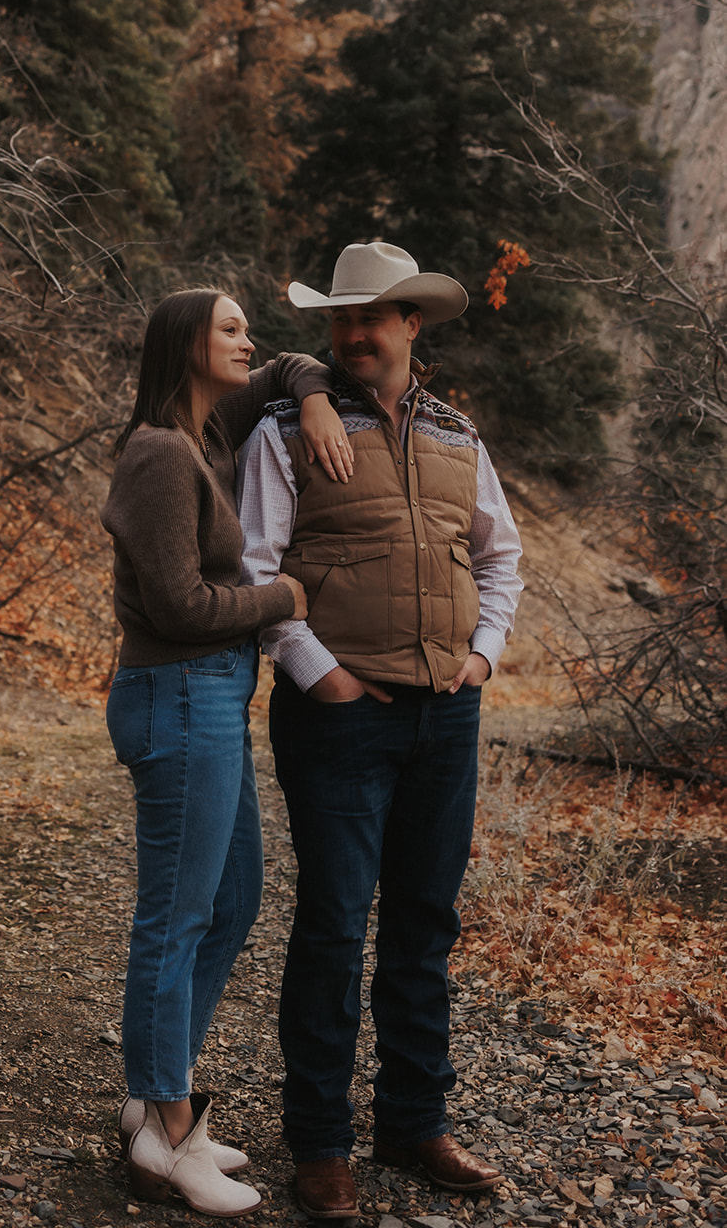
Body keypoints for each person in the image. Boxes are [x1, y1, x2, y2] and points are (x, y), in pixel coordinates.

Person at [237, 242, 523, 1220]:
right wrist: (320, 677)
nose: (356, 332)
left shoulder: (456, 433)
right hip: (339, 724)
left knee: (422, 924)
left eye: (376, 316)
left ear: (412, 326)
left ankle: (412, 1119)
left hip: (447, 716)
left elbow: (500, 555)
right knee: (329, 924)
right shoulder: (284, 429)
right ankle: (317, 1142)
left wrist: (481, 655)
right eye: (341, 318)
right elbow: (252, 562)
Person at [101, 286, 352, 1218]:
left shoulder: (206, 431)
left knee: (232, 899)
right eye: (231, 329)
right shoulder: (161, 454)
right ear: (185, 346)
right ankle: (165, 1129)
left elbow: (291, 368)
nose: (252, 342)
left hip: (209, 697)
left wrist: (317, 394)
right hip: (175, 695)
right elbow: (178, 607)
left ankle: (149, 1091)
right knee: (174, 916)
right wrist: (281, 599)